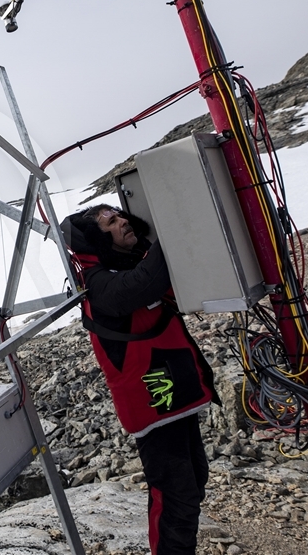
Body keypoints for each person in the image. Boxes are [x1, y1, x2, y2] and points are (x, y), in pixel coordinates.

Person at [61, 204, 219, 555]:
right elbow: (145, 283)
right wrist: (170, 214)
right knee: (174, 492)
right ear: (95, 239)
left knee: (192, 480)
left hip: (173, 396)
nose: (123, 222)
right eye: (111, 222)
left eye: (121, 216)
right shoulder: (99, 283)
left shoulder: (130, 261)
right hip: (153, 406)